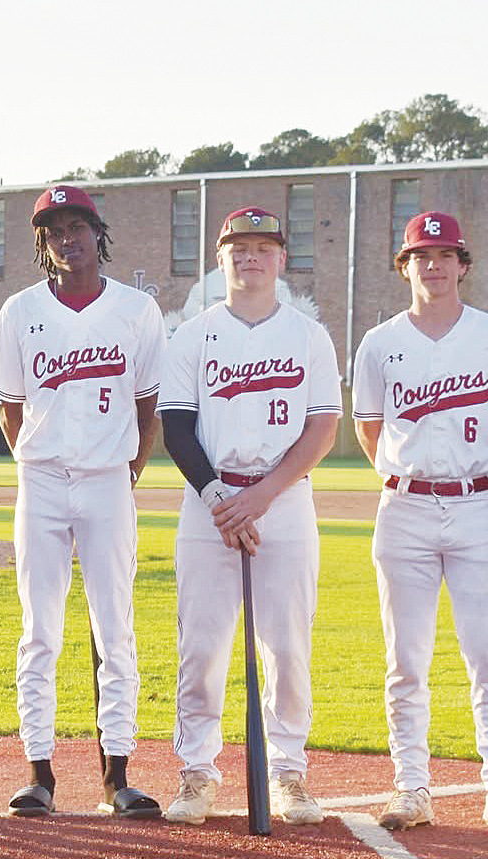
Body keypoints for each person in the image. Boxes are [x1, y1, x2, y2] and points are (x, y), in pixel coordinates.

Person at [157, 206, 340, 827]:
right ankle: (197, 773)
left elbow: (321, 428)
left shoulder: (308, 337)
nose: (250, 257)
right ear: (221, 258)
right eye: (238, 247)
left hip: (284, 501)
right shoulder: (192, 333)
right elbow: (176, 429)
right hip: (208, 503)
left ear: (281, 259)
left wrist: (262, 496)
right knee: (202, 647)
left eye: (263, 247)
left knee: (287, 646)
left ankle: (288, 772)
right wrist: (219, 499)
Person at [0, 185, 164, 817]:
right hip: (41, 481)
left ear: (98, 233)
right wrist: (42, 458)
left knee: (113, 626)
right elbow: (9, 408)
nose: (68, 238)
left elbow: (148, 410)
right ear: (45, 242)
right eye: (55, 229)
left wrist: (124, 471)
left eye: (78, 226)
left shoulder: (137, 311)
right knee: (41, 629)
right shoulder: (20, 311)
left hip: (108, 482)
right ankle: (40, 773)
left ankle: (117, 775)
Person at [352, 211, 488, 834]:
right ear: (405, 267)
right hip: (404, 507)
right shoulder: (381, 342)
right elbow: (369, 429)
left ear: (463, 264)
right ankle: (411, 787)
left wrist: (466, 472)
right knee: (406, 660)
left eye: (444, 254)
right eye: (420, 256)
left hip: (477, 505)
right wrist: (412, 474)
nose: (433, 265)